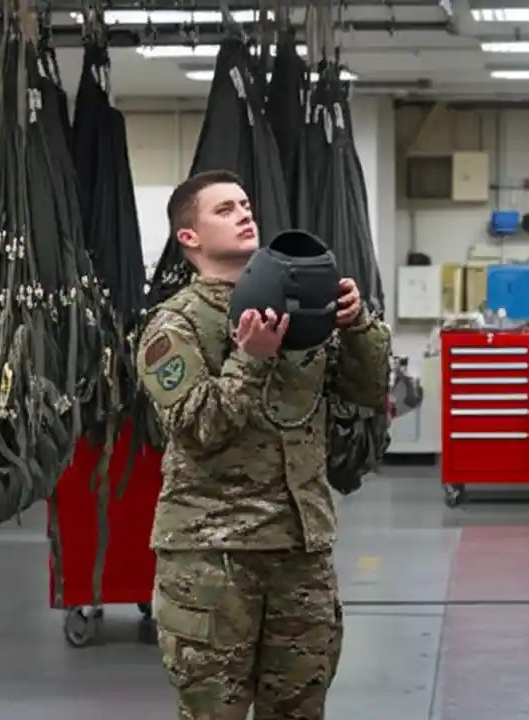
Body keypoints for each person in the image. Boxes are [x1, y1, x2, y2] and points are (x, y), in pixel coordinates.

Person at [135, 169, 391, 720]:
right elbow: (198, 426)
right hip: (213, 558)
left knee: (300, 709)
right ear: (190, 238)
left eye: (246, 204)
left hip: (301, 551)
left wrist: (356, 324)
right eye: (225, 209)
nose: (245, 214)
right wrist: (250, 358)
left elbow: (369, 392)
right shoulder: (173, 326)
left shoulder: (302, 304)